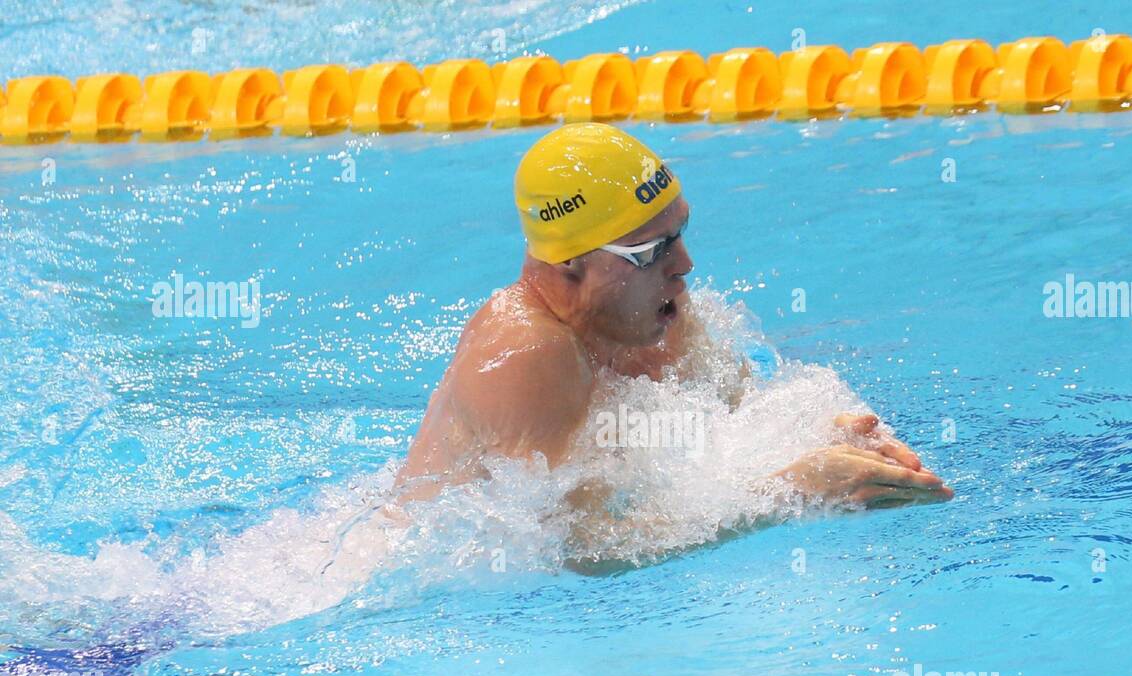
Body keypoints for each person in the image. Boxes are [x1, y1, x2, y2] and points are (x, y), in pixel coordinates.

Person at [397, 122, 952, 513]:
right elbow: (581, 548)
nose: (684, 266)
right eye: (652, 251)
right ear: (569, 262)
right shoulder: (524, 354)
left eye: (679, 235)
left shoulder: (650, 312)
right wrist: (792, 492)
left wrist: (825, 435)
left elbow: (734, 411)